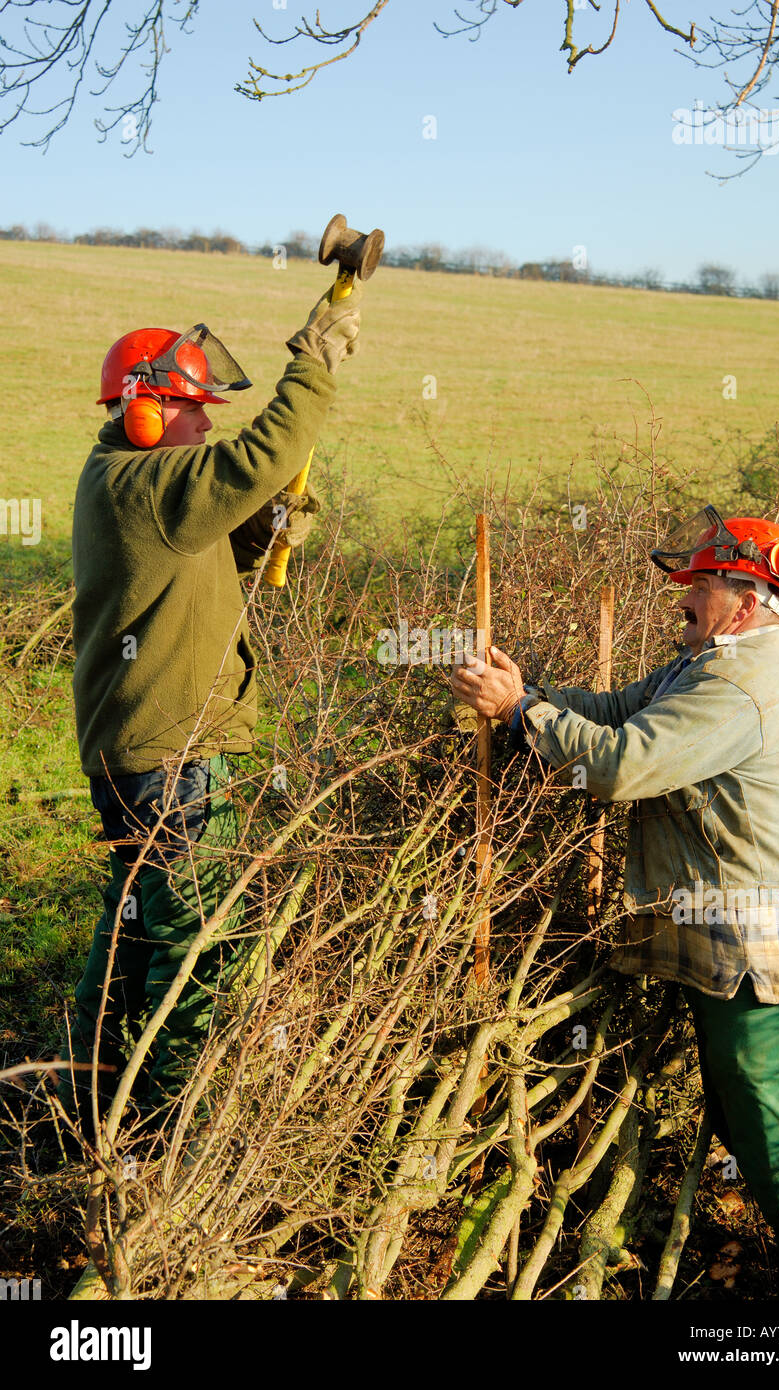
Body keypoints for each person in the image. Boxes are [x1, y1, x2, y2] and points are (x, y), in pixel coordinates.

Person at [450, 505, 779, 1300]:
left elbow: (621, 765)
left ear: (743, 600)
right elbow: (617, 713)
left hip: (758, 957)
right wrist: (526, 695)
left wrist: (516, 712)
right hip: (738, 949)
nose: (679, 597)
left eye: (697, 585)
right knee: (761, 1124)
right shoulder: (711, 661)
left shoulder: (739, 682)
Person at [58, 290, 361, 1127]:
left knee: (131, 935)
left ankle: (85, 1095)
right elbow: (269, 448)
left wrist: (259, 532)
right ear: (146, 414)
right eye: (194, 411)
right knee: (199, 949)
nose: (207, 426)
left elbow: (190, 547)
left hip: (135, 756)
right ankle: (165, 1128)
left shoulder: (120, 479)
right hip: (174, 764)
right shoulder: (148, 478)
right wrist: (315, 360)